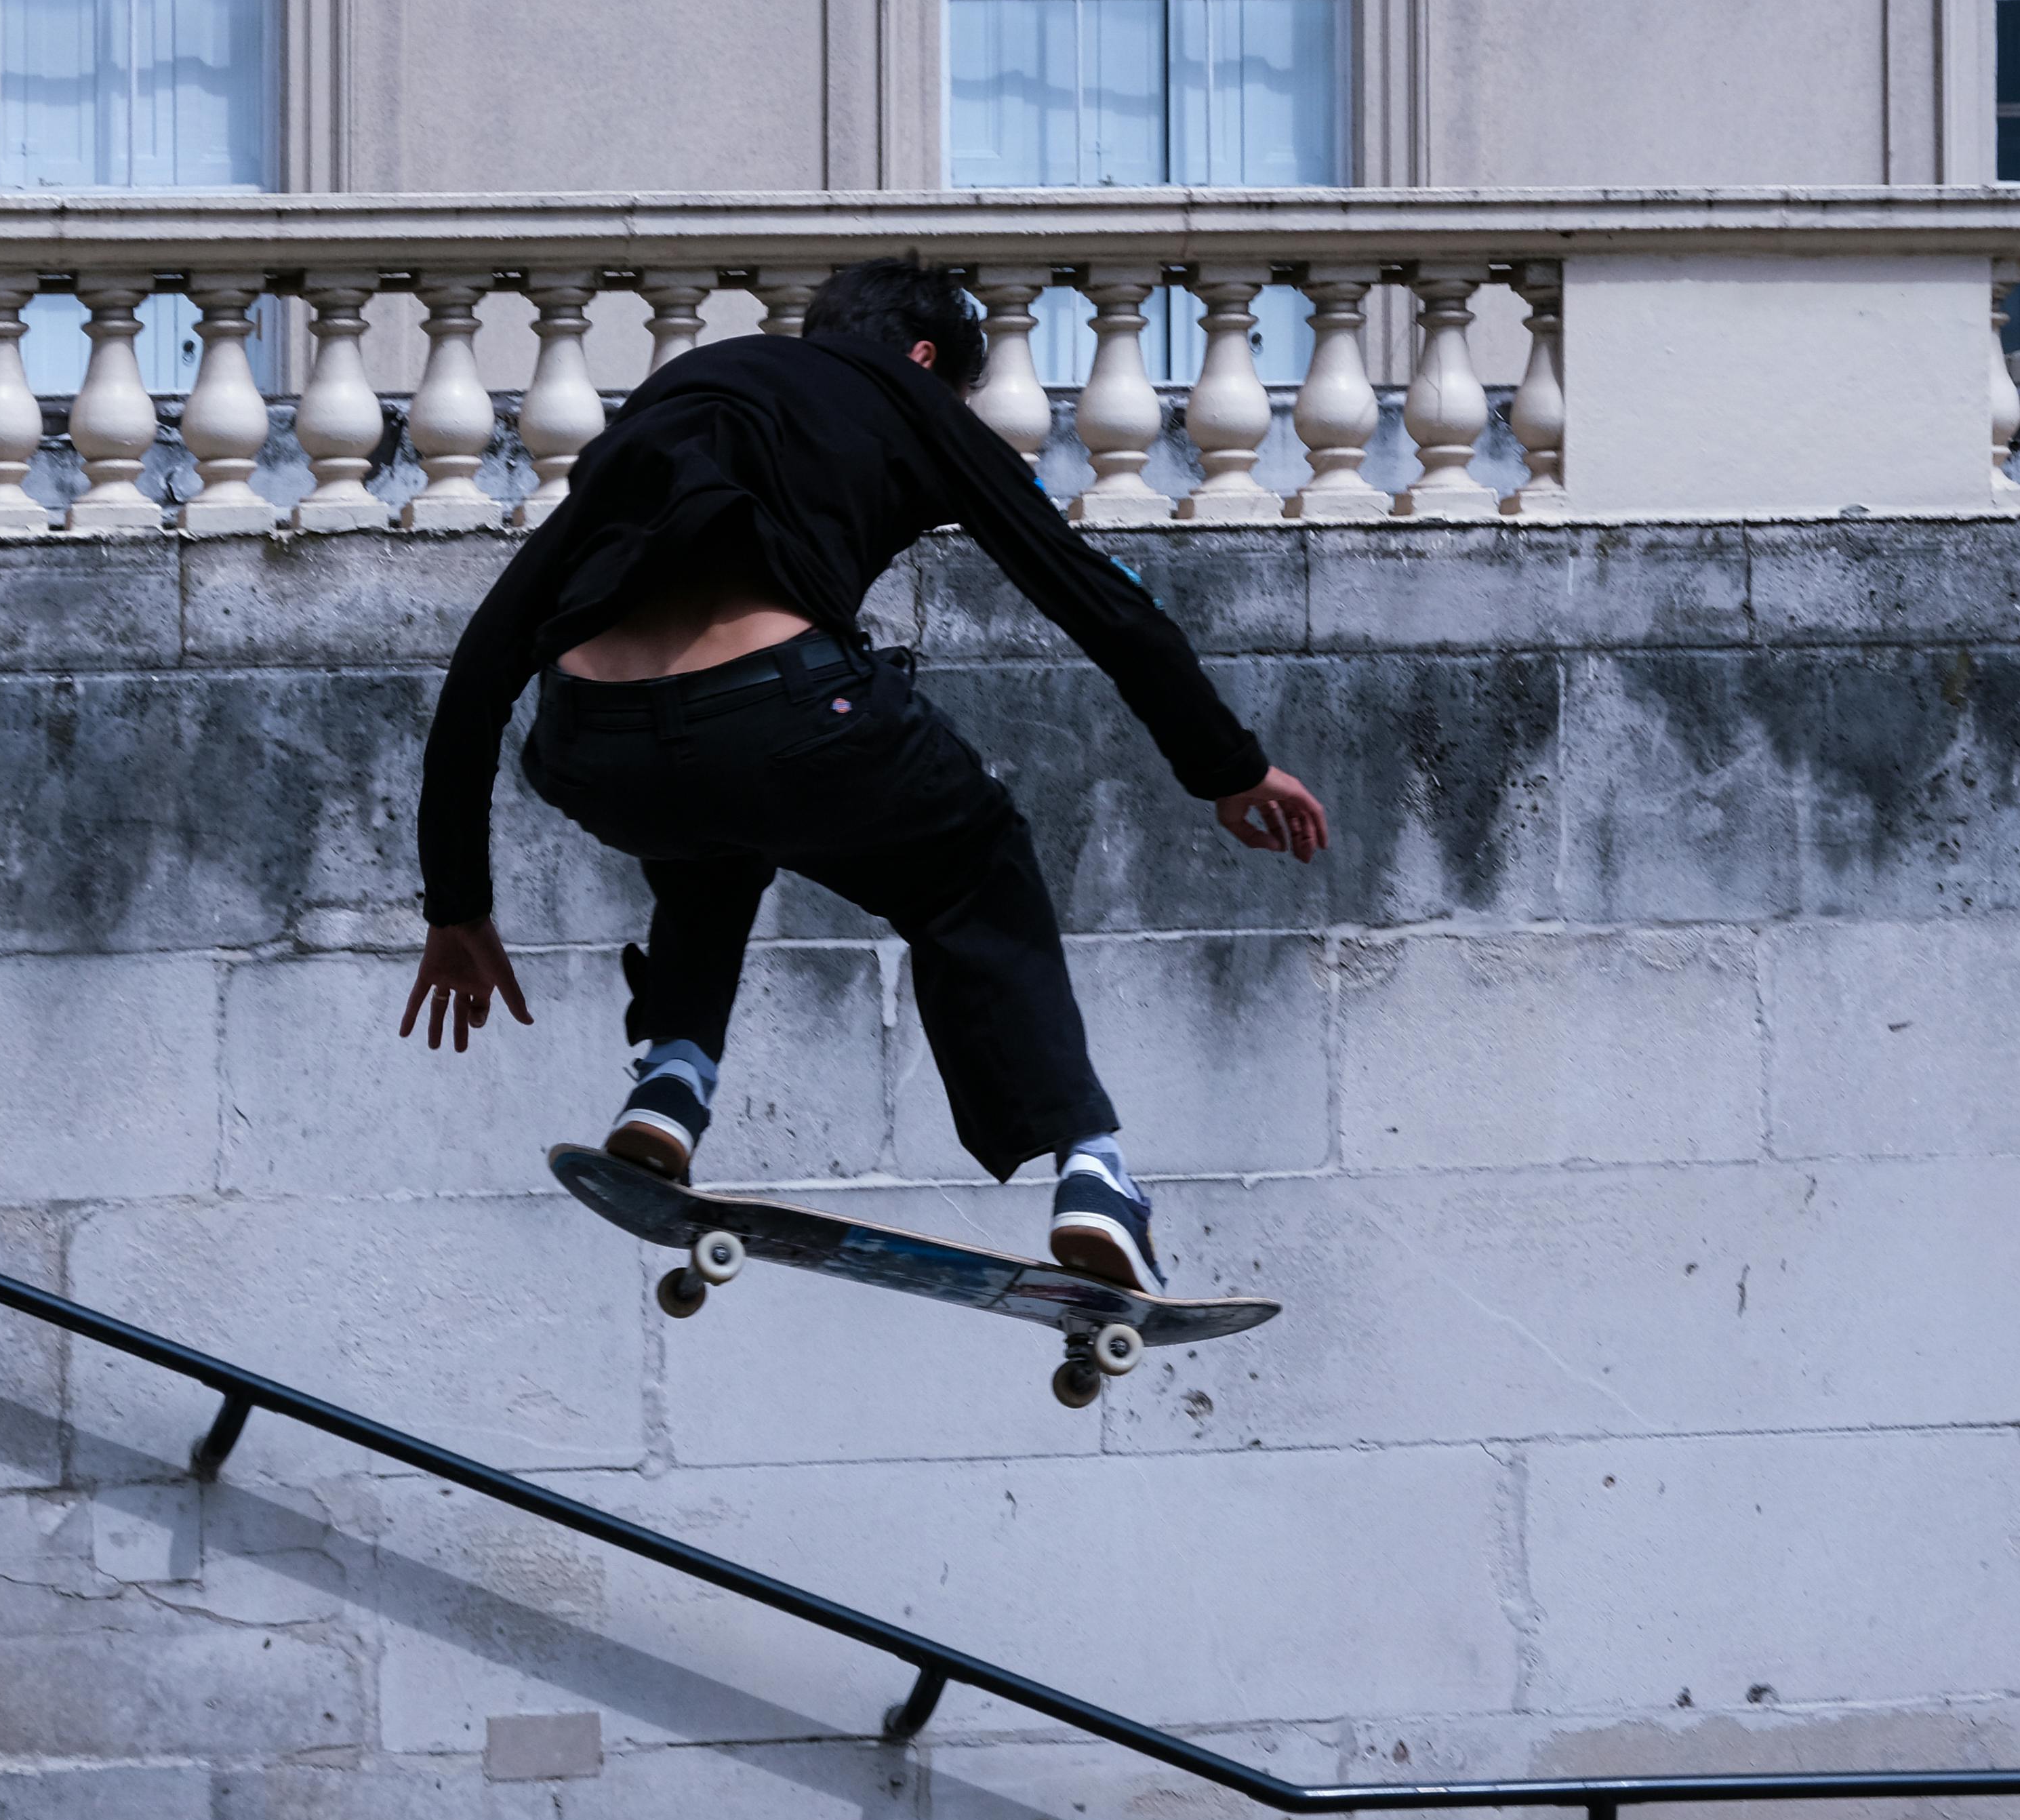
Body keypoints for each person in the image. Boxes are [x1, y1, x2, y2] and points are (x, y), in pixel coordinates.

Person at [401, 256, 1331, 1292]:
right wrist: (1227, 767)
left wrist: (456, 901)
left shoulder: (677, 401)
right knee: (972, 861)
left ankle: (670, 1080)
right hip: (793, 716)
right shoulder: (907, 394)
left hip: (590, 745)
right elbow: (1087, 592)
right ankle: (1094, 1173)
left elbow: (484, 658)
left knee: (710, 841)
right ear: (928, 359)